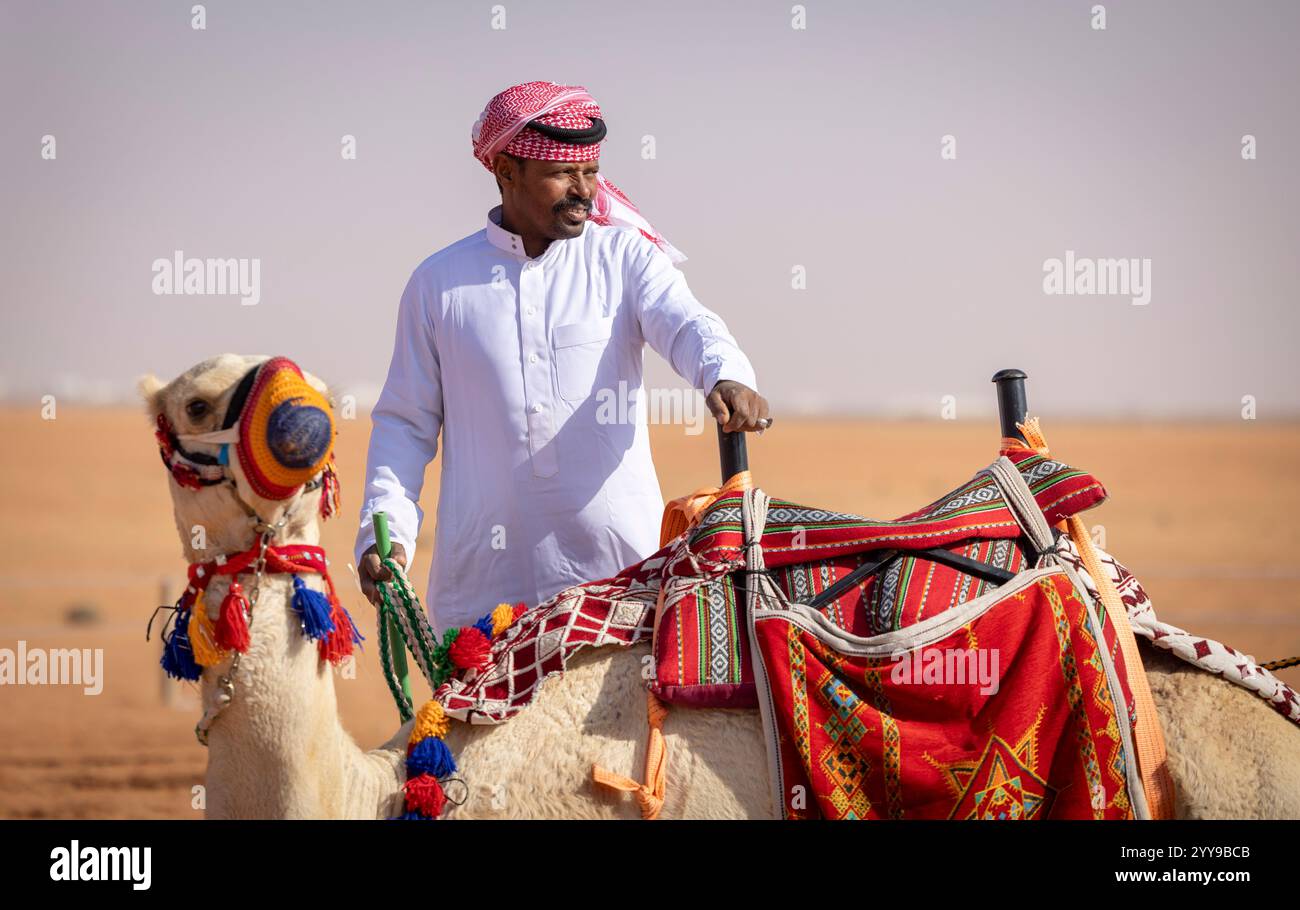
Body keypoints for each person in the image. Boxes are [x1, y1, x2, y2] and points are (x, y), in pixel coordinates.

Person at [355, 80, 771, 632]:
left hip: (621, 589)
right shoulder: (439, 285)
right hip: (482, 596)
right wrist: (384, 532)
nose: (586, 191)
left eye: (592, 172)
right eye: (564, 174)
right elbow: (404, 425)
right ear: (507, 169)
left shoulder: (622, 258)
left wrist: (726, 374)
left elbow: (689, 321)